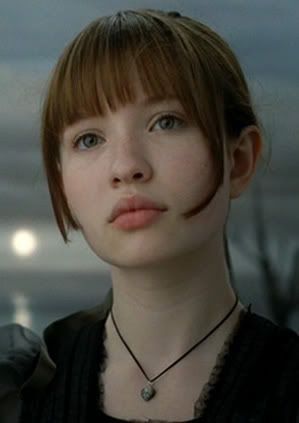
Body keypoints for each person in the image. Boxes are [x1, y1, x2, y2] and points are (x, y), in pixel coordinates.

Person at [0, 8, 298, 423]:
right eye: (88, 139)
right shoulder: (22, 388)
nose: (126, 166)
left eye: (166, 122)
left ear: (239, 159)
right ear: (61, 181)